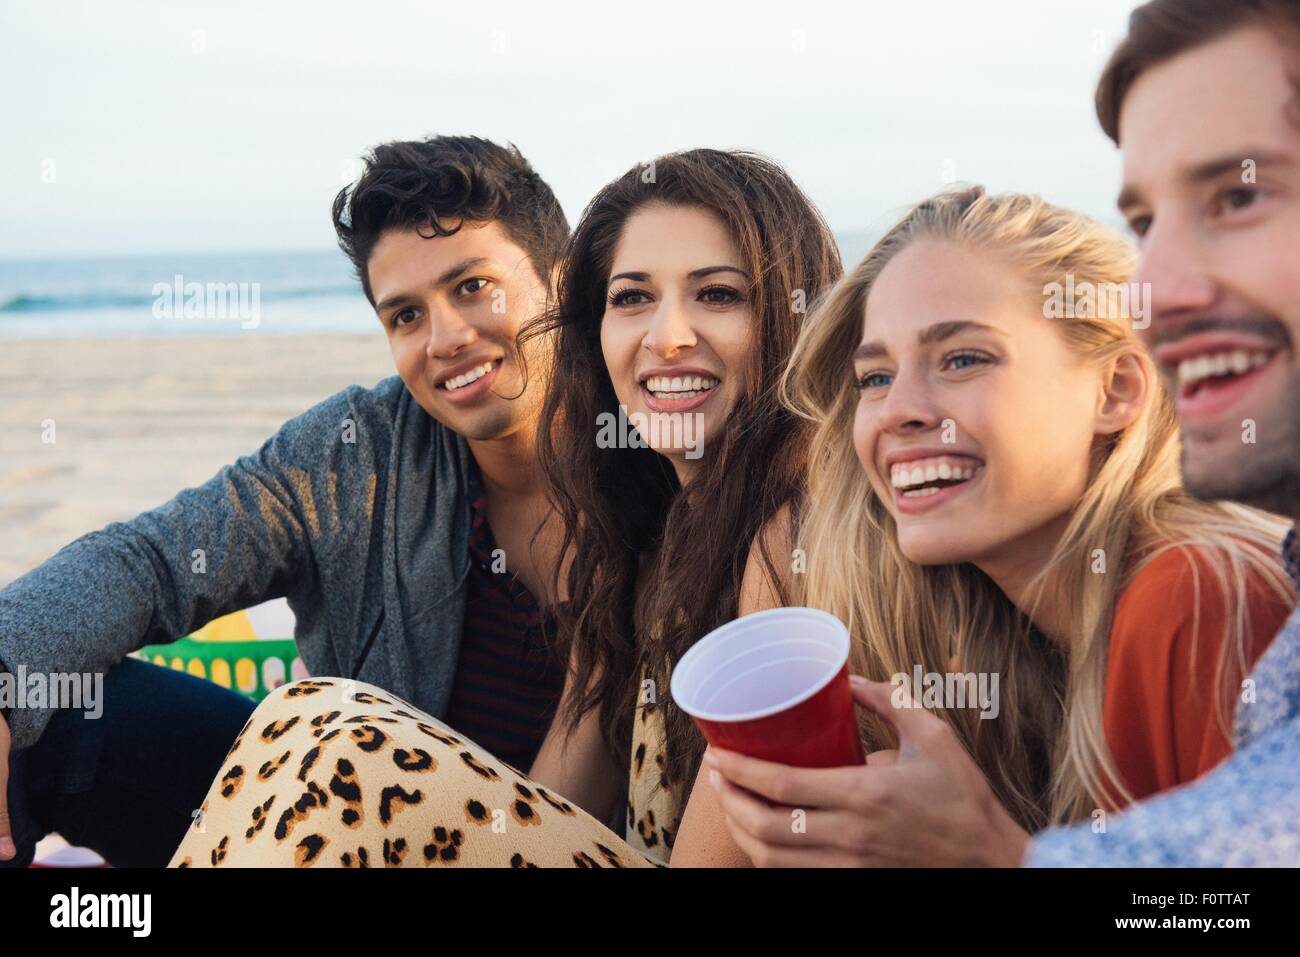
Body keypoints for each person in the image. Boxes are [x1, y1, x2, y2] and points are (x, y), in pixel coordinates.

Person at [708, 0, 1300, 867]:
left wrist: (983, 858)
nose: (899, 407)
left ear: (1118, 390)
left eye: (963, 358)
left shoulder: (1196, 593)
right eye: (874, 376)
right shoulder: (1016, 635)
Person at [165, 147, 843, 867]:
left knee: (325, 733)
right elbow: (550, 813)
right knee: (305, 732)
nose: (667, 335)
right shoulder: (655, 538)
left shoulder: (790, 533)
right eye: (632, 298)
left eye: (718, 294)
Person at [0, 136, 575, 866]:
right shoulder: (355, 452)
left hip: (580, 847)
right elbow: (151, 561)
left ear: (561, 281)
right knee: (53, 712)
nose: (446, 338)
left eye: (472, 287)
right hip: (348, 838)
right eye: (404, 315)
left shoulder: (654, 452)